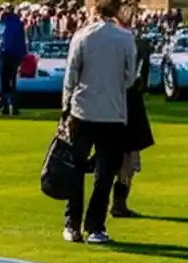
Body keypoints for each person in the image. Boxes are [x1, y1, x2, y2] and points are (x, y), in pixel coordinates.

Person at [60, 0, 136, 244]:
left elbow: (71, 75)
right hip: (113, 113)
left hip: (83, 110)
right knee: (104, 174)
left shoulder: (82, 36)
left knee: (76, 169)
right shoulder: (126, 38)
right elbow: (130, 77)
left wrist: (65, 107)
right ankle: (95, 226)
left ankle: (72, 224)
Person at [112, 2, 155, 218]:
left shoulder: (131, 41)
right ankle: (119, 202)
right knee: (126, 156)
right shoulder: (132, 42)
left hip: (120, 99)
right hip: (126, 99)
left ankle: (119, 201)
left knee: (125, 156)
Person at [0, 5, 28, 115]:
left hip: (4, 54)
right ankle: (14, 106)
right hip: (15, 54)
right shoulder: (19, 23)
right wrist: (23, 55)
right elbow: (22, 41)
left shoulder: (3, 23)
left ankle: (6, 106)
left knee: (4, 81)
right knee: (12, 80)